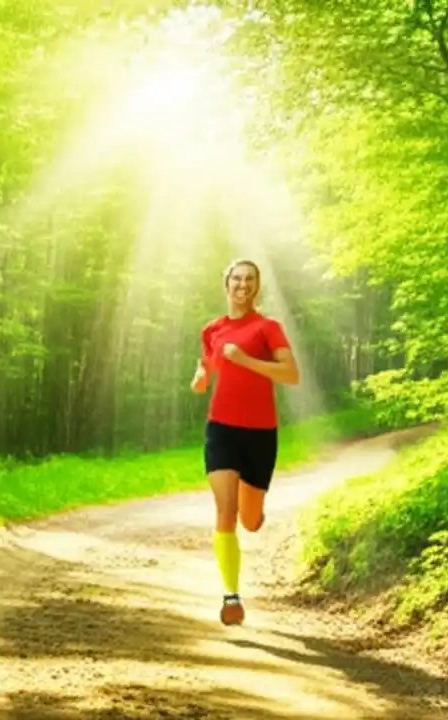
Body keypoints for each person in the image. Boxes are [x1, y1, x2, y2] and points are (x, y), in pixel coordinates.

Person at [189, 259, 300, 626]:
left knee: (249, 521)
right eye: (237, 278)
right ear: (227, 284)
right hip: (221, 429)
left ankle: (255, 513)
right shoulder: (212, 330)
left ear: (257, 286)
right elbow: (207, 365)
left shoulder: (268, 328)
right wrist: (200, 377)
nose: (243, 284)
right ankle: (231, 597)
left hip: (259, 432)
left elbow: (291, 374)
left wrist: (246, 360)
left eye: (250, 279)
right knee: (225, 510)